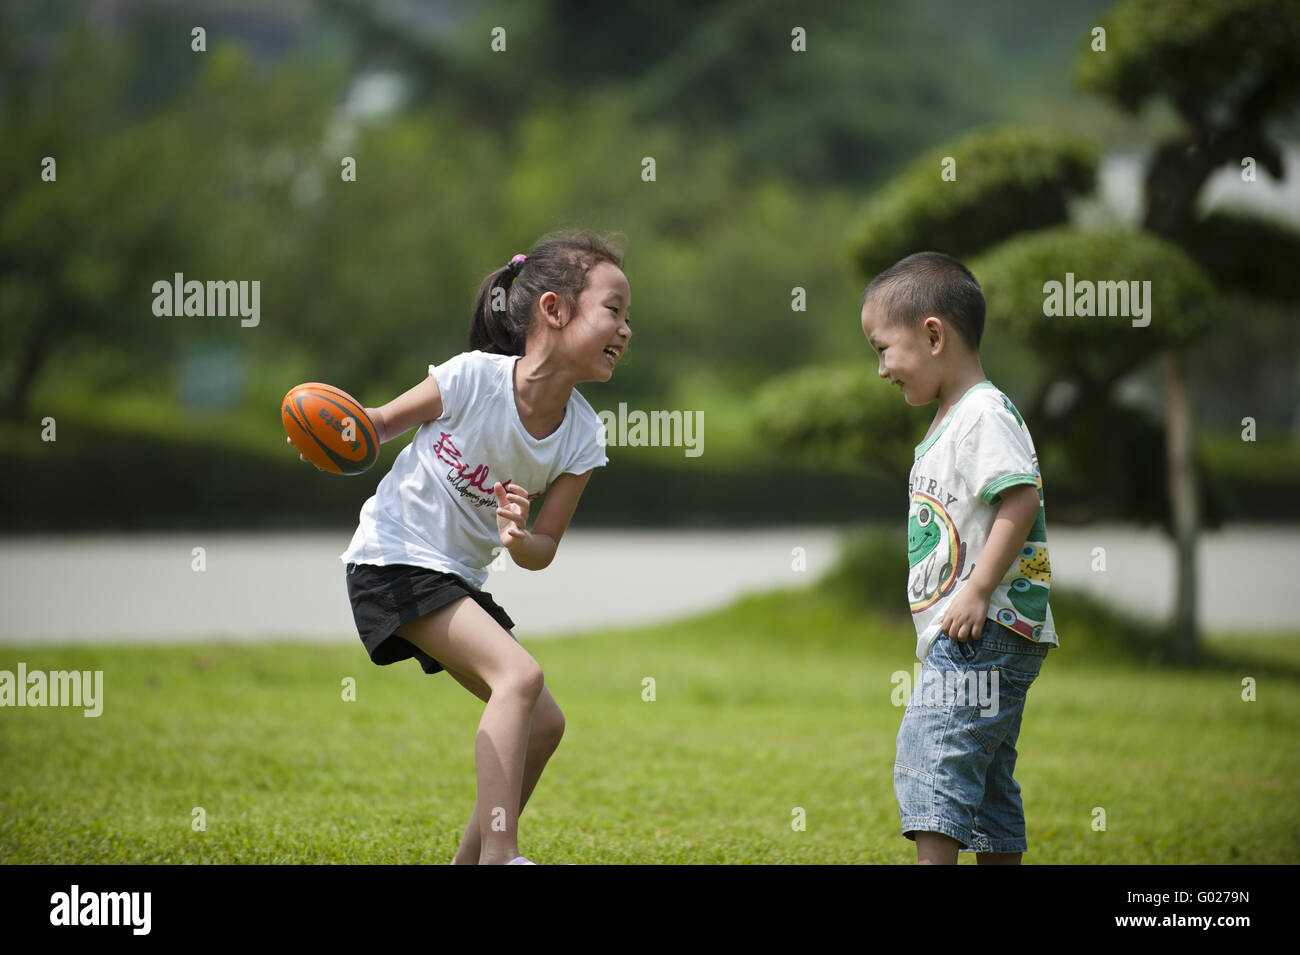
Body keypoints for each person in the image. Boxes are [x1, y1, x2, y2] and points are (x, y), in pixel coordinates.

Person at [292, 230, 630, 864]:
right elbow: (378, 424)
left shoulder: (583, 435)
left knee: (544, 724)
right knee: (518, 678)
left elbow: (543, 549)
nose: (626, 329)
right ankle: (501, 854)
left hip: (453, 579)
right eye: (613, 309)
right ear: (554, 310)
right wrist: (330, 428)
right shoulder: (472, 377)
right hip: (392, 557)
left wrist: (519, 537)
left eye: (628, 316)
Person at [859, 251, 1058, 865]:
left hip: (982, 627)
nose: (881, 369)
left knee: (931, 757)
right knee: (987, 778)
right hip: (988, 628)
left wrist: (975, 589)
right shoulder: (955, 418)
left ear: (933, 335)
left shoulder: (982, 414)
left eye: (883, 349)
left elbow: (1020, 498)